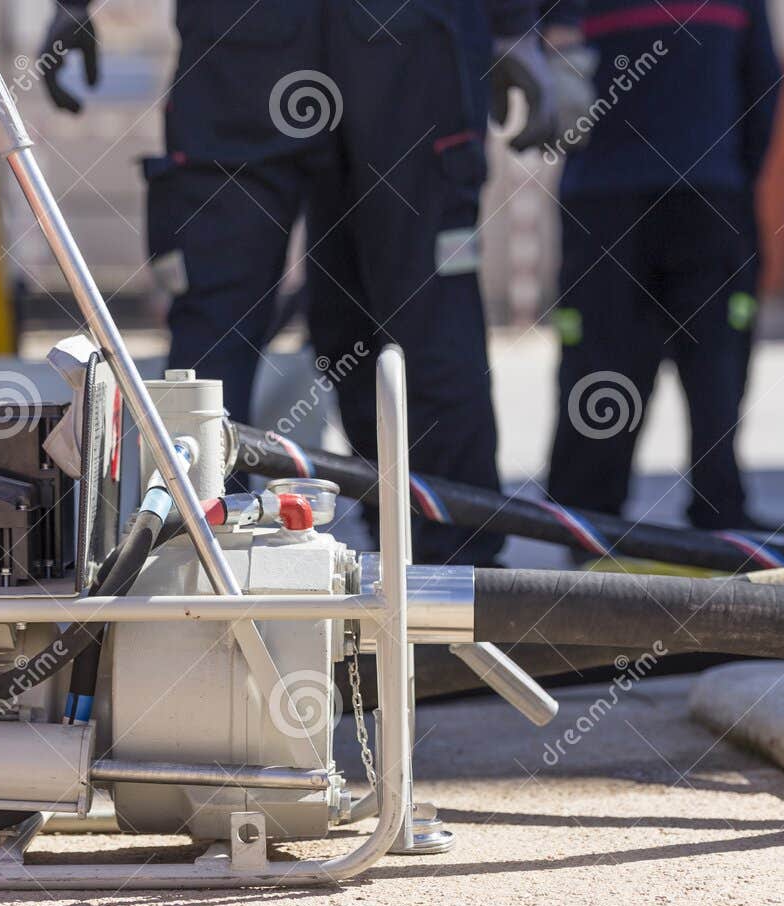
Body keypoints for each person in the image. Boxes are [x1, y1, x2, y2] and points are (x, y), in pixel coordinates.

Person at [41, 1, 559, 566]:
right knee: (425, 315)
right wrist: (517, 30)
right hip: (407, 46)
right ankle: (458, 587)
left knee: (224, 331)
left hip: (248, 43)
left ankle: (194, 573)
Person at [542, 0, 780, 535]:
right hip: (702, 191)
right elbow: (763, 86)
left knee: (604, 359)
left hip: (609, 195)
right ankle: (720, 514)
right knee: (713, 360)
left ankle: (587, 520)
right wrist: (732, 173)